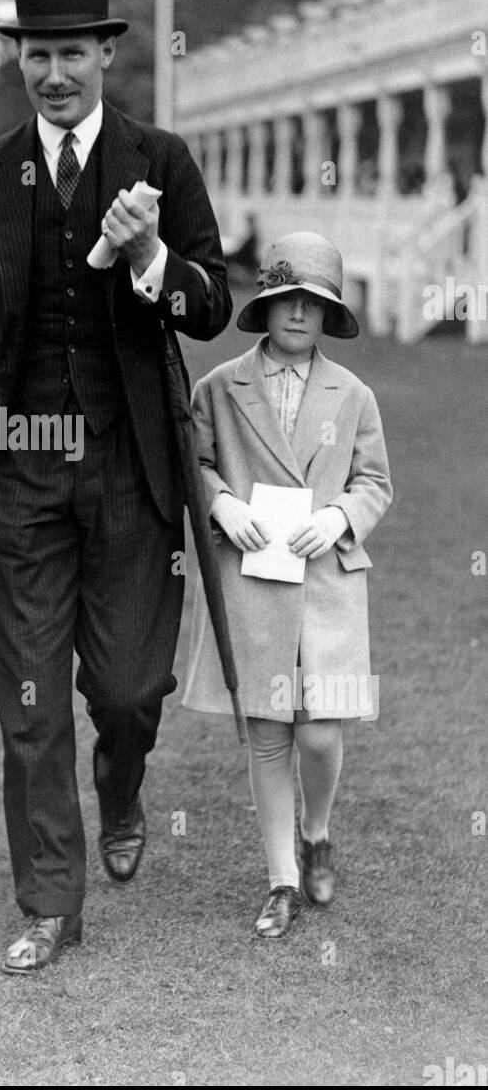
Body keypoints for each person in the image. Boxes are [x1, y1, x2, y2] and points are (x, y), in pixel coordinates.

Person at [0, 0, 231, 974]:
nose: (52, 72)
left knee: (133, 686)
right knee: (28, 700)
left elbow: (212, 304)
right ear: (20, 58)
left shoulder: (161, 159)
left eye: (70, 52)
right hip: (18, 470)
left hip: (133, 465)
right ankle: (51, 898)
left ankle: (125, 776)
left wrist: (148, 263)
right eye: (35, 53)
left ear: (106, 53)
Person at [181, 233, 392, 938]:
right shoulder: (217, 388)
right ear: (263, 306)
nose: (297, 314)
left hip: (326, 581)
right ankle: (280, 880)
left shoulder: (353, 395)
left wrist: (337, 516)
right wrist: (220, 503)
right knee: (267, 734)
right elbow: (194, 464)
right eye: (284, 300)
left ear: (328, 315)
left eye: (313, 303)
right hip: (254, 581)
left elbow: (374, 484)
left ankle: (318, 829)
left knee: (321, 733)